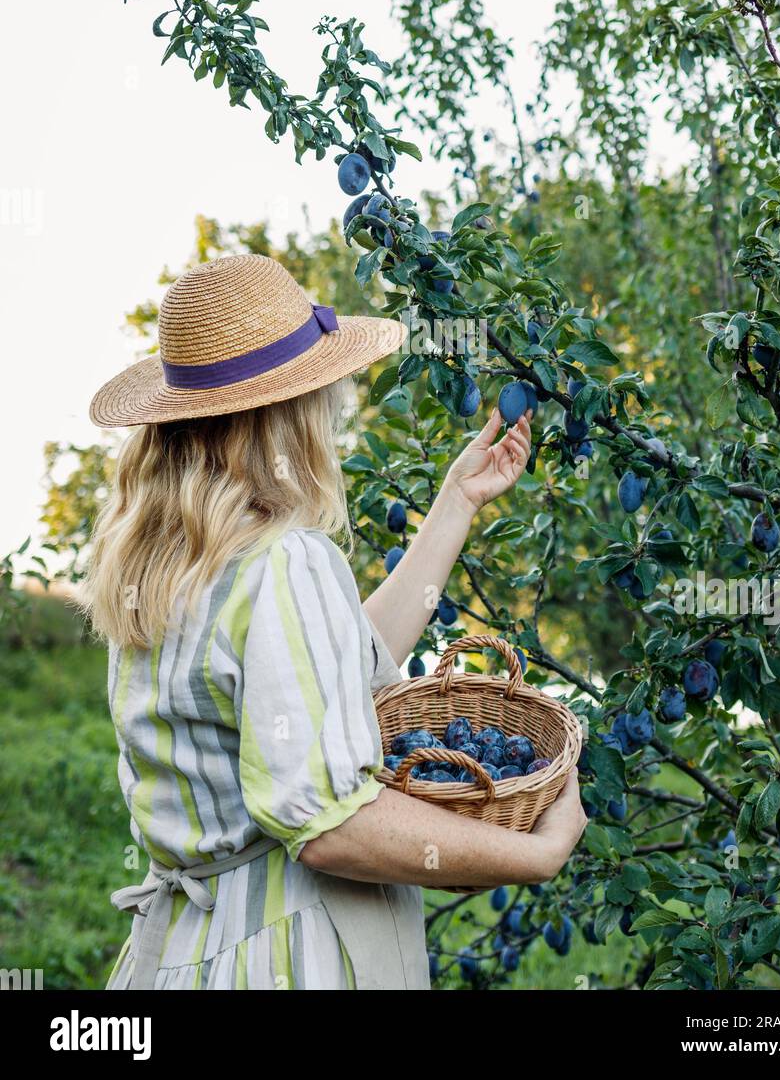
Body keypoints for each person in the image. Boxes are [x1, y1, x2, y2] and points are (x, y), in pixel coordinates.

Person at [85, 253, 586, 990]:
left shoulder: (162, 569)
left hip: (188, 950)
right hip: (291, 954)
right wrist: (534, 857)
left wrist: (456, 501)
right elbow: (331, 827)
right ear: (289, 410)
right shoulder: (285, 562)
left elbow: (333, 671)